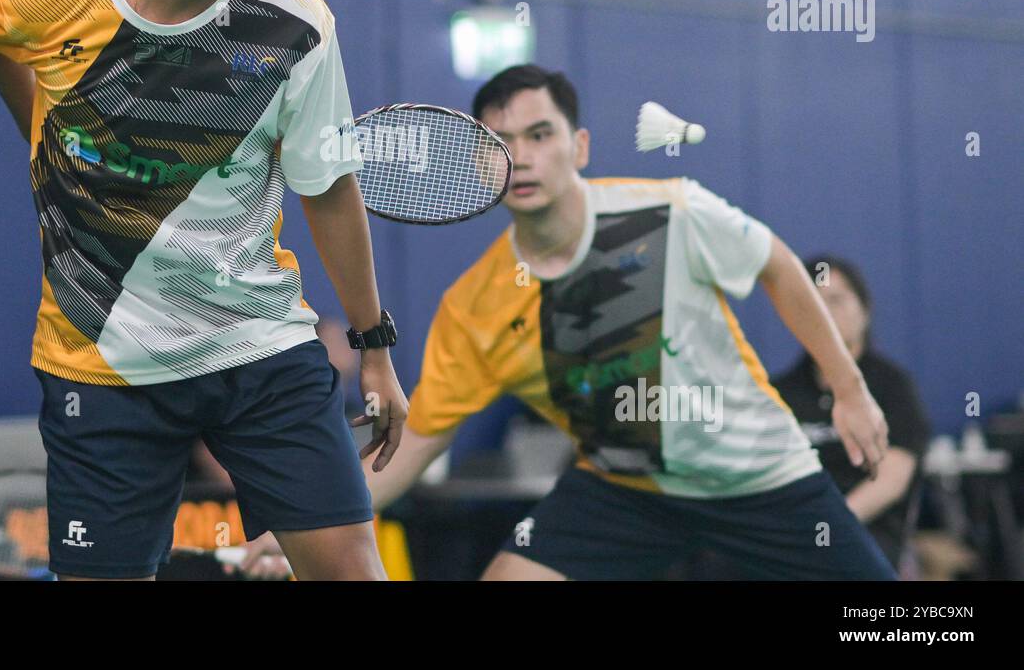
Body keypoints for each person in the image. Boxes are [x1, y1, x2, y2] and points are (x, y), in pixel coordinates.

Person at [0, 0, 406, 581]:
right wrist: (38, 129)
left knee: (353, 572)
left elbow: (329, 189)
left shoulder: (293, 27)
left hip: (257, 348)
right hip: (100, 363)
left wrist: (374, 345)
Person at [248, 64, 896, 579]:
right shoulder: (474, 307)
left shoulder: (671, 214)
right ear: (482, 165)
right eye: (501, 142)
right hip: (625, 489)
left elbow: (780, 267)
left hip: (759, 476)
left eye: (540, 135)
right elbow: (414, 442)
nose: (522, 157)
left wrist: (849, 388)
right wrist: (310, 528)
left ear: (578, 146)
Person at [773, 254, 930, 569]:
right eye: (813, 303)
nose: (825, 314)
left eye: (836, 300)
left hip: (863, 529)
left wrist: (829, 526)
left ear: (865, 309)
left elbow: (892, 479)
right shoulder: (780, 390)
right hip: (792, 527)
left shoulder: (891, 386)